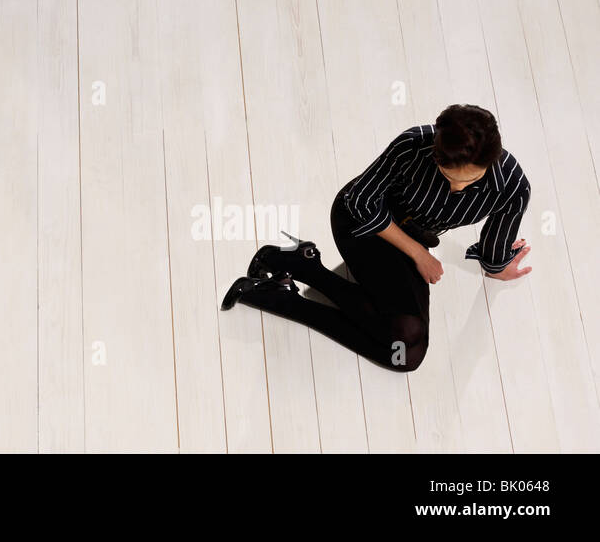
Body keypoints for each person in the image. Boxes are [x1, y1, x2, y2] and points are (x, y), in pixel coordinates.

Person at [222, 104, 532, 372]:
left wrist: (498, 264)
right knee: (401, 338)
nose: (458, 189)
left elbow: (494, 251)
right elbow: (359, 202)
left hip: (409, 238)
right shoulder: (414, 144)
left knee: (404, 354)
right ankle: (282, 285)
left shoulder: (513, 186)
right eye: (449, 177)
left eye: (472, 180)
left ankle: (295, 273)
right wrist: (418, 254)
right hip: (362, 224)